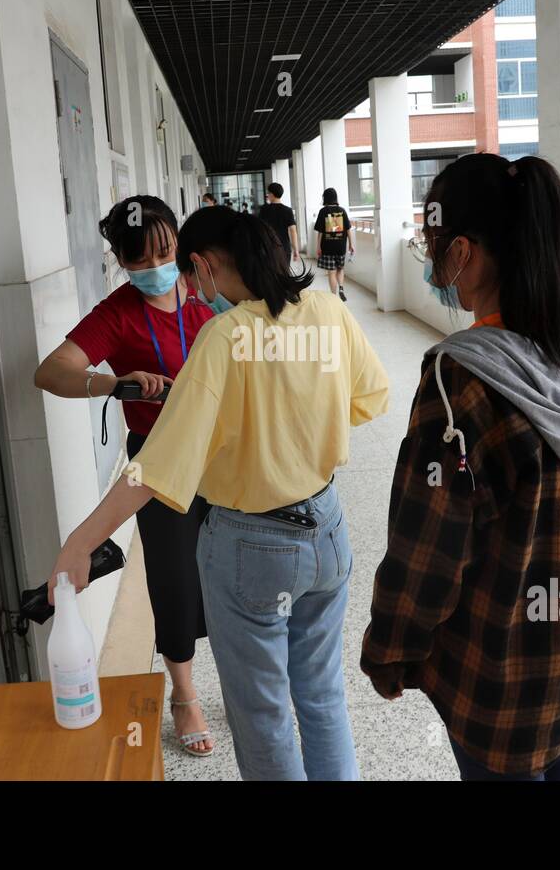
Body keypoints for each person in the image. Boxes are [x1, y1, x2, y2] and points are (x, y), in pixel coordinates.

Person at [46, 205, 389, 780]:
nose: (186, 287)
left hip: (253, 547)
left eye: (185, 273)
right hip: (328, 532)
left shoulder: (222, 336)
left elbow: (156, 466)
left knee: (262, 713)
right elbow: (368, 399)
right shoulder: (329, 311)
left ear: (203, 267)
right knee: (324, 698)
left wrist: (81, 541)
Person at [361, 154, 560, 781]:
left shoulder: (460, 382)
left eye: (433, 247)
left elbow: (430, 546)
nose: (431, 264)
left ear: (466, 252)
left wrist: (391, 651)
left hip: (498, 669)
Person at [33, 195, 217, 758]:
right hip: (156, 460)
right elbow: (52, 371)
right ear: (121, 261)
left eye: (165, 251)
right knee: (173, 576)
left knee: (234, 571)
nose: (157, 265)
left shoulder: (208, 295)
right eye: (140, 260)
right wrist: (112, 384)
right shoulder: (118, 312)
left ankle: (242, 669)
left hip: (221, 455)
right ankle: (184, 695)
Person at [312, 187, 353, 301]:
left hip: (328, 247)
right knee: (340, 269)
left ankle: (334, 297)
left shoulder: (323, 211)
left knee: (331, 272)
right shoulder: (342, 210)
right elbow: (348, 229)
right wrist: (351, 244)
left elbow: (320, 231)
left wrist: (318, 246)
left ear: (325, 198)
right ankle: (341, 287)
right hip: (341, 246)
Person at [258, 182, 299, 266]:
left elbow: (260, 229)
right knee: (284, 274)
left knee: (270, 275)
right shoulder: (287, 210)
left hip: (268, 247)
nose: (267, 195)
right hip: (284, 248)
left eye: (268, 193)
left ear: (272, 194)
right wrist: (296, 250)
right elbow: (293, 231)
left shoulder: (264, 210)